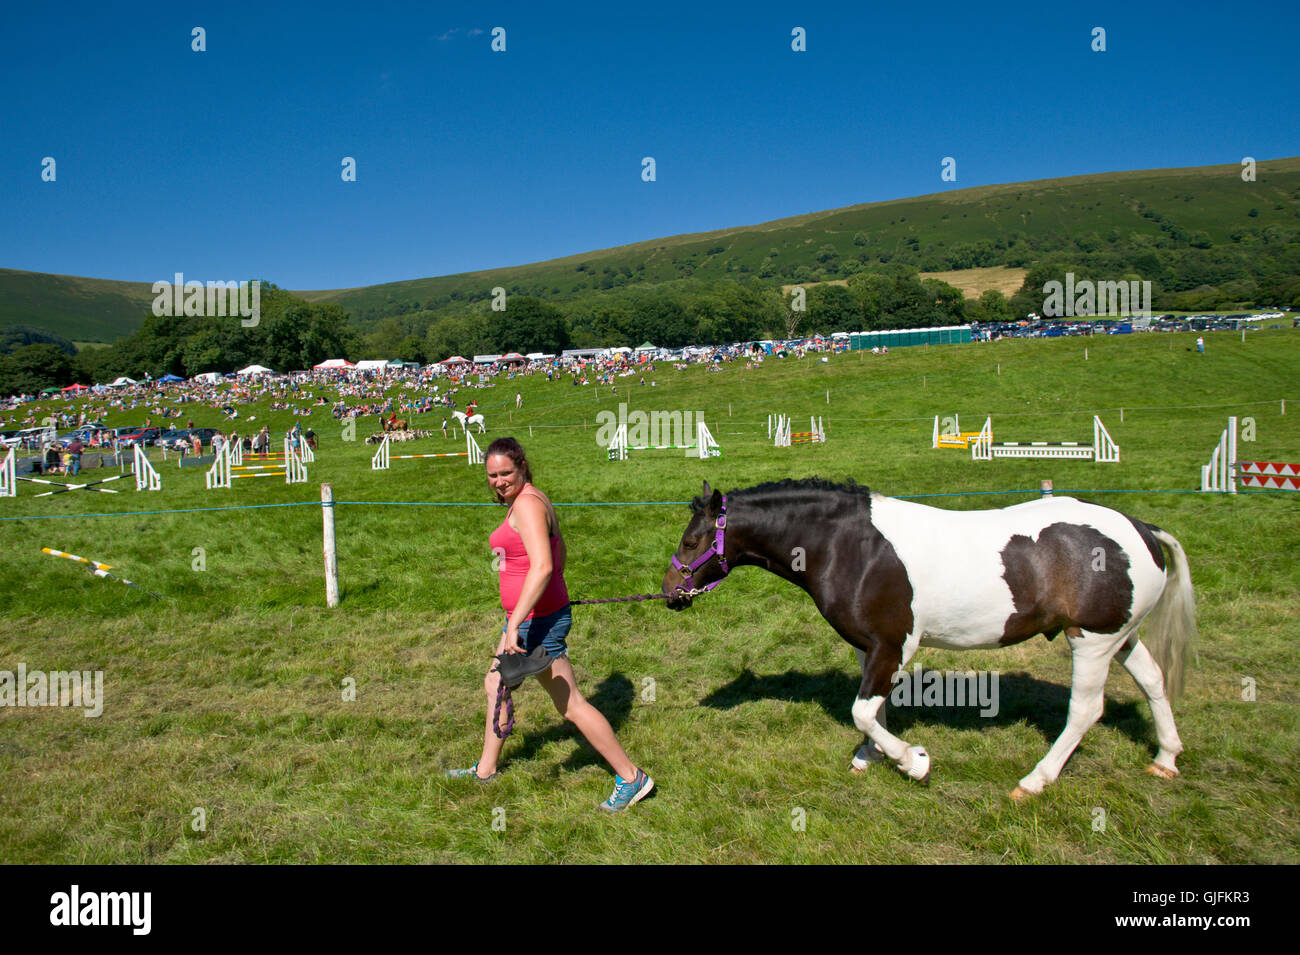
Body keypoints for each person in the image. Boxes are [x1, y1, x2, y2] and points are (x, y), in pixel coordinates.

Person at [446, 437, 653, 812]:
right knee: (496, 683)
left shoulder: (526, 505)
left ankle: (631, 776)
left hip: (535, 623)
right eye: (492, 475)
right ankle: (486, 770)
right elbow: (559, 555)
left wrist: (517, 622)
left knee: (570, 704)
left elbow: (542, 566)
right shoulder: (534, 498)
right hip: (532, 617)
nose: (499, 481)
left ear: (522, 466)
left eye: (506, 472)